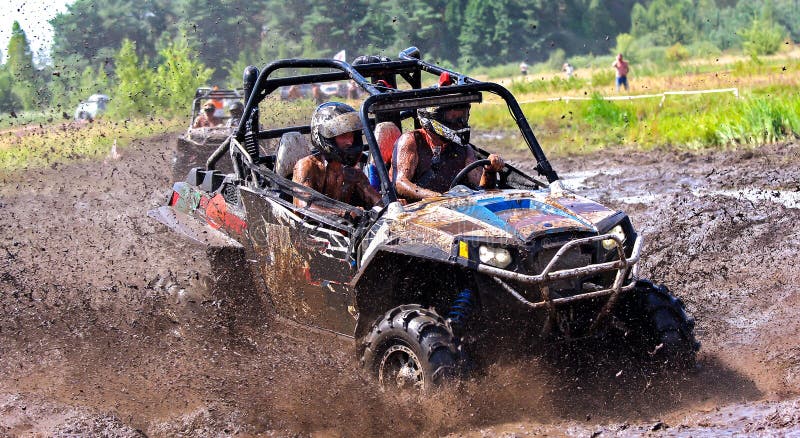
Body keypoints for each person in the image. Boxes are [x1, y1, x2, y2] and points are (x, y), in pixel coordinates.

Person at [392, 103, 504, 202]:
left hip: (455, 211)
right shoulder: (412, 140)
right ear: (433, 117)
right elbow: (400, 182)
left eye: (463, 117)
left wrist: (490, 171)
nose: (460, 123)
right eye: (453, 117)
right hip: (418, 212)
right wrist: (434, 197)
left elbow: (481, 191)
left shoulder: (464, 148)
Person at [293, 102, 381, 219]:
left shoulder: (353, 173)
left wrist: (393, 206)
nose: (350, 141)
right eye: (343, 135)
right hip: (309, 232)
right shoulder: (307, 166)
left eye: (352, 135)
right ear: (326, 136)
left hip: (342, 233)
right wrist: (342, 213)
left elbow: (375, 199)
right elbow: (303, 206)